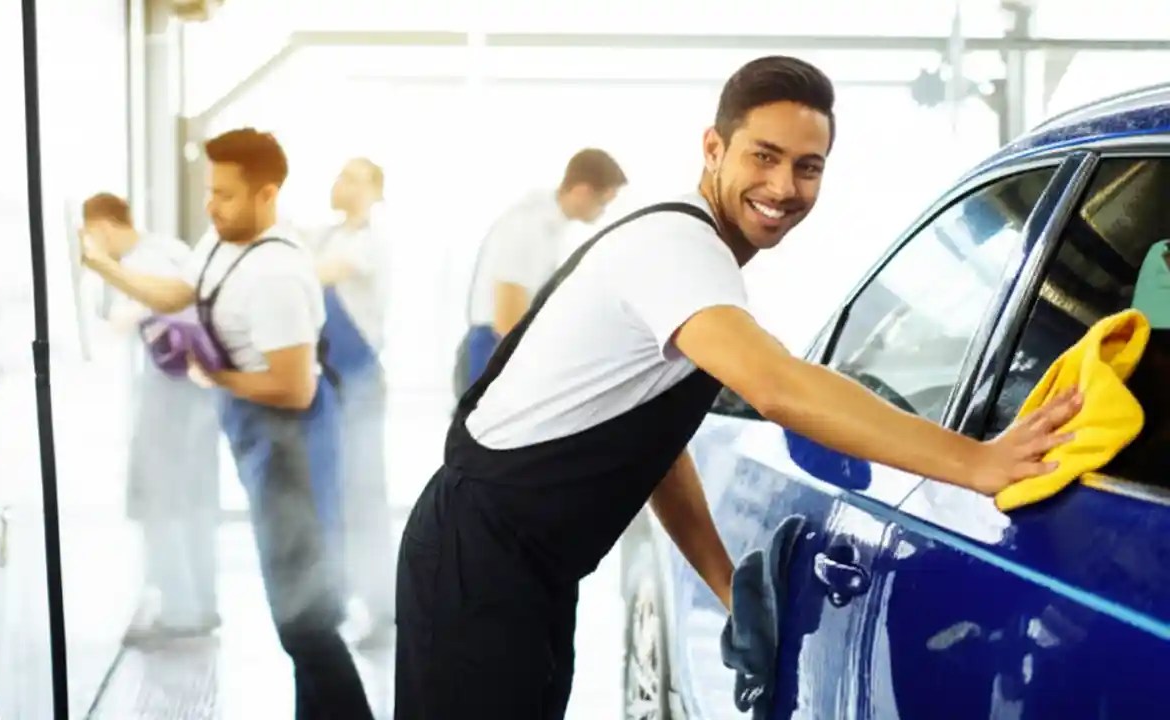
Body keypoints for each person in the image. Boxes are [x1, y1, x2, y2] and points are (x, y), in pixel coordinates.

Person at [394, 56, 1084, 720]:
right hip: (479, 559)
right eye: (764, 156)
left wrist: (726, 585)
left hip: (518, 565)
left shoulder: (697, 265)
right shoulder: (679, 249)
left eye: (808, 167)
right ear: (713, 148)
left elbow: (655, 449)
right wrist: (976, 461)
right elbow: (778, 387)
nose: (784, 186)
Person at [80, 128, 374, 720]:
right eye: (211, 191)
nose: (212, 205)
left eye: (227, 195)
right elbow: (177, 292)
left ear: (267, 195)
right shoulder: (221, 241)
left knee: (306, 623)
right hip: (260, 437)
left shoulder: (278, 274)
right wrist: (104, 266)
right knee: (298, 621)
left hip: (293, 447)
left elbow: (294, 387)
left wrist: (214, 375)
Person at [80, 192, 222, 644]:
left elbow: (134, 312)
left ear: (102, 227)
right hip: (201, 389)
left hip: (173, 391)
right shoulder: (170, 247)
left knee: (160, 501)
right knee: (194, 501)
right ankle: (201, 605)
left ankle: (180, 612)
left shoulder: (141, 262)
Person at [453, 148, 627, 397]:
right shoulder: (528, 226)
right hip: (492, 348)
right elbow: (508, 315)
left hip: (500, 347)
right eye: (602, 203)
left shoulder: (550, 228)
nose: (602, 212)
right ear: (582, 191)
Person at [309, 157, 395, 645]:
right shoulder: (328, 236)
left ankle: (382, 608)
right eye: (339, 175)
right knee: (332, 494)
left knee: (362, 494)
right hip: (329, 379)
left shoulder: (367, 243)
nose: (340, 184)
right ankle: (336, 600)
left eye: (353, 178)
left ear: (376, 192)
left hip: (358, 379)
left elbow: (316, 274)